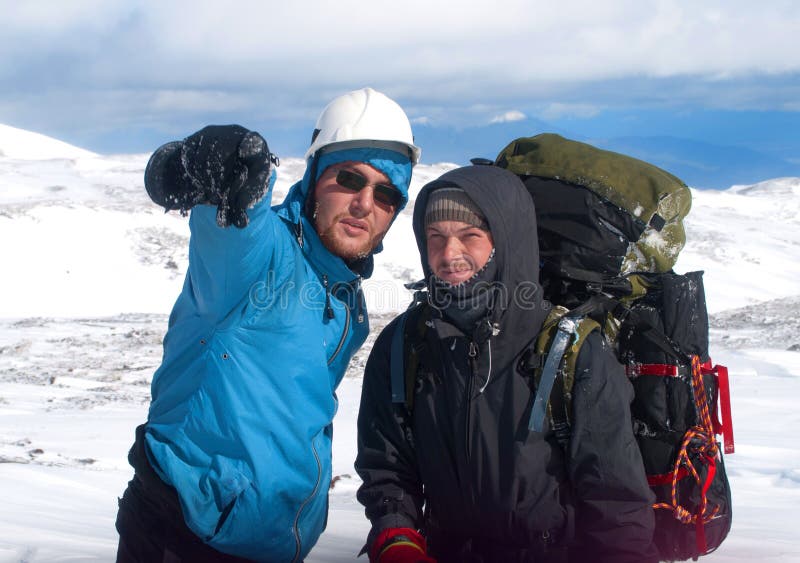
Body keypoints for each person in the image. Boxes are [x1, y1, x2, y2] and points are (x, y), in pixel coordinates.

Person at [115, 87, 420, 563]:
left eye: (386, 194)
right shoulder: (264, 256)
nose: (365, 203)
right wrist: (230, 166)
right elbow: (234, 231)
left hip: (273, 545)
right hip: (186, 535)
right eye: (349, 178)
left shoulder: (345, 298)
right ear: (315, 176)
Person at [355, 164, 659, 563]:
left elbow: (617, 506)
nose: (449, 254)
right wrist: (398, 539)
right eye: (435, 237)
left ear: (506, 241)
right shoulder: (404, 344)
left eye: (470, 236)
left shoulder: (571, 350)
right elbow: (387, 468)